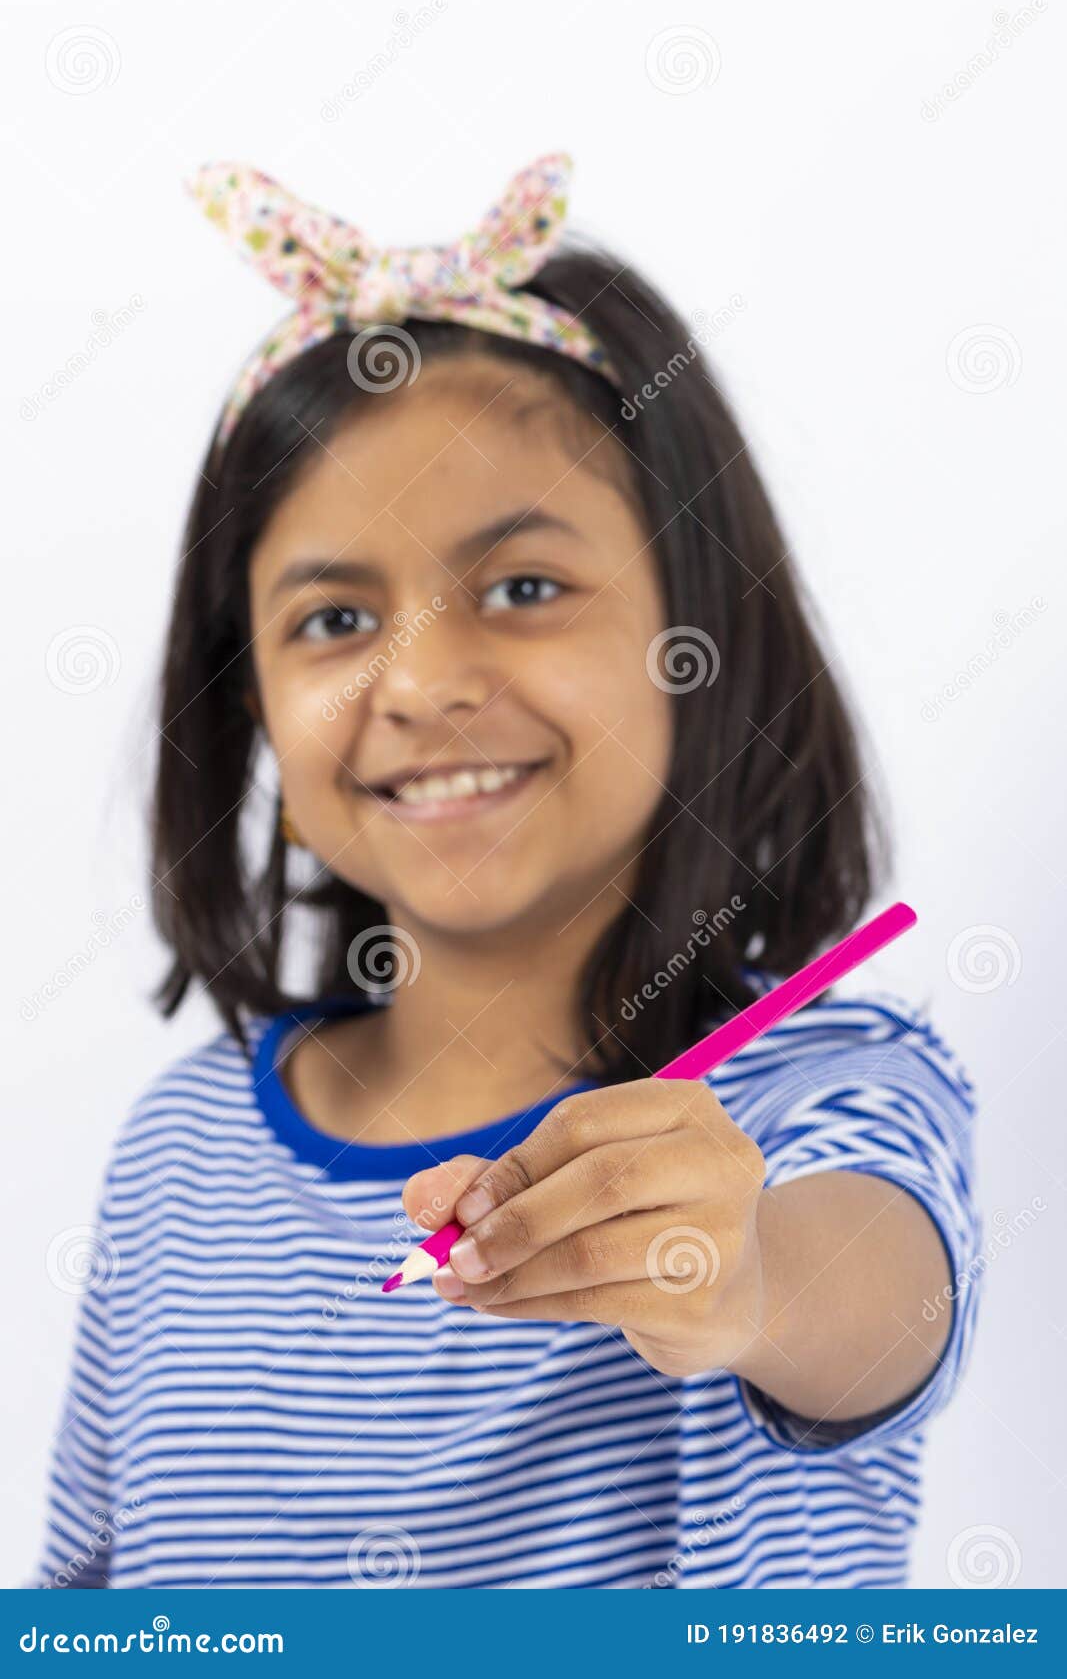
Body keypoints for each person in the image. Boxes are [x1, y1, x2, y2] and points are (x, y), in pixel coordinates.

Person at [34, 154, 980, 1589]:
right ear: (248, 702)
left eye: (524, 588)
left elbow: (878, 1307)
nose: (423, 683)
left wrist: (745, 1275)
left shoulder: (823, 1088)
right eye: (334, 618)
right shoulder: (179, 1151)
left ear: (700, 634)